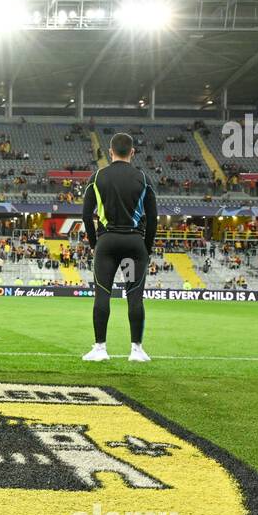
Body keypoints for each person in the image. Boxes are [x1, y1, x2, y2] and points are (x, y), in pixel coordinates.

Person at [80, 132, 157, 362]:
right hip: (133, 246)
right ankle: (137, 350)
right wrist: (146, 247)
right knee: (135, 296)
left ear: (110, 152)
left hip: (107, 245)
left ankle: (100, 349)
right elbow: (153, 218)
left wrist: (95, 244)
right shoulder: (143, 179)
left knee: (102, 293)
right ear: (132, 152)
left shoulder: (97, 177)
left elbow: (86, 215)